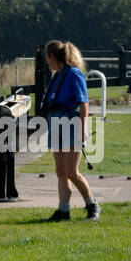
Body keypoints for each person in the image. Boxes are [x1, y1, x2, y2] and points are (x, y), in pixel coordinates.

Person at [40, 40, 100, 222]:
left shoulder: (73, 74)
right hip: (56, 123)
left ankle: (92, 205)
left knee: (72, 171)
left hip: (71, 123)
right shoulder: (58, 75)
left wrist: (82, 129)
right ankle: (63, 210)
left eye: (46, 57)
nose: (46, 60)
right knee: (60, 171)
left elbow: (84, 103)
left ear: (51, 56)